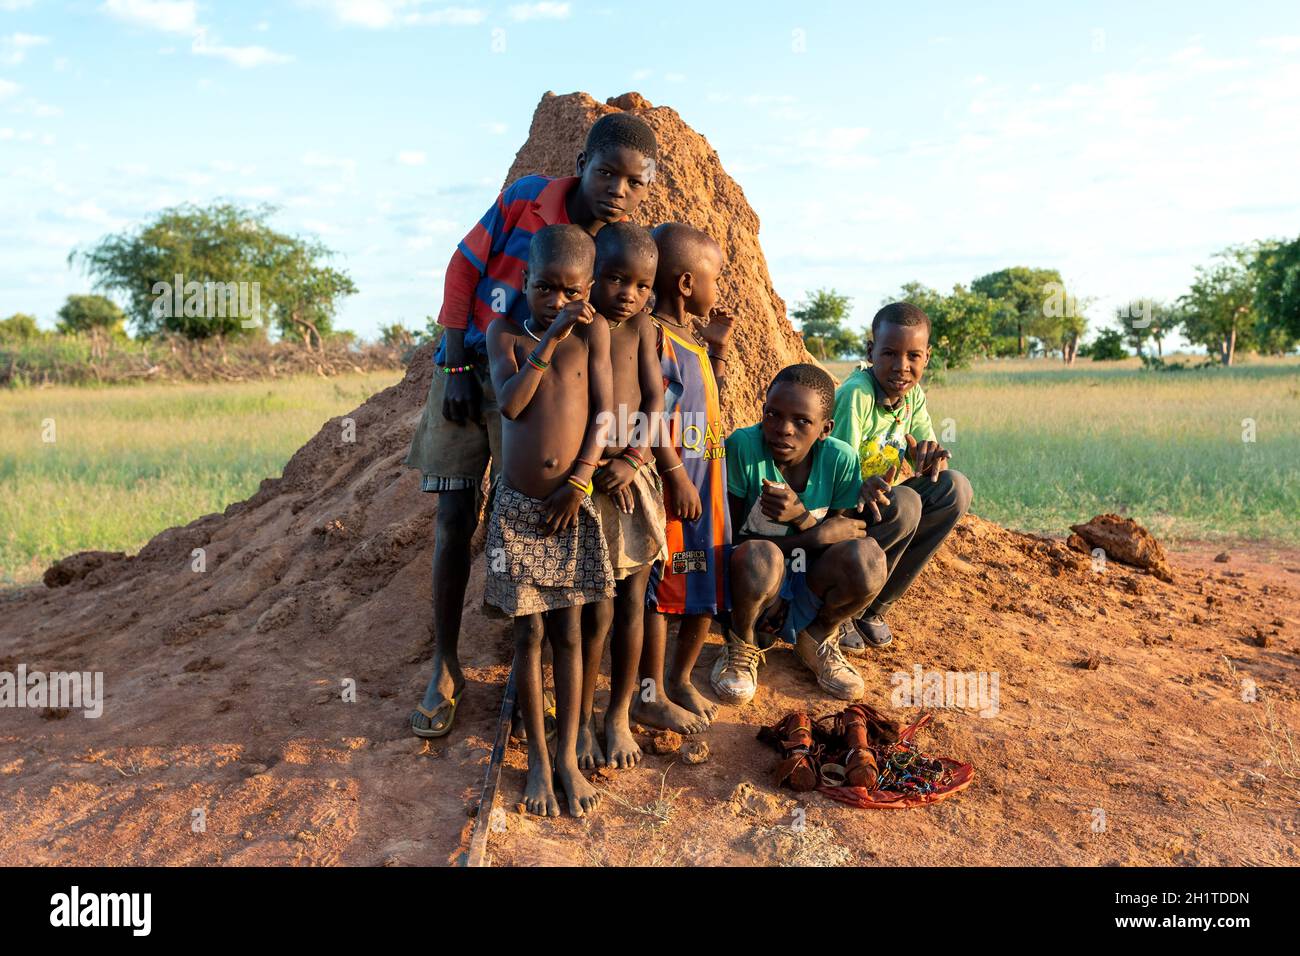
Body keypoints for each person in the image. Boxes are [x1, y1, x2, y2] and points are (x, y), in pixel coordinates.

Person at [407, 113, 658, 739]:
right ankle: (444, 668)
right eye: (607, 174)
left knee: (533, 527)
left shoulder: (615, 247)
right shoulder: (526, 200)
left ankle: (530, 682)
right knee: (454, 516)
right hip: (474, 363)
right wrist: (455, 358)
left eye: (633, 183)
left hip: (545, 399)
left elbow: (622, 340)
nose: (618, 191)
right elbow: (464, 269)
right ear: (582, 162)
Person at [482, 224, 614, 817]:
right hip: (516, 509)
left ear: (587, 289)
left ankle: (565, 755)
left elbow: (608, 415)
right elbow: (513, 403)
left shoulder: (598, 336)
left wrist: (582, 478)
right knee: (528, 634)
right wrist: (551, 337)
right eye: (544, 290)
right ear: (525, 283)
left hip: (571, 506)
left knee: (568, 632)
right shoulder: (504, 333)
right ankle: (536, 758)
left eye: (569, 293)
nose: (557, 303)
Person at [716, 364, 886, 702]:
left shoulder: (840, 458)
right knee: (760, 555)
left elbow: (839, 543)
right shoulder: (744, 448)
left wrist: (804, 519)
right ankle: (742, 642)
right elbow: (727, 543)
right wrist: (812, 536)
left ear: (825, 429)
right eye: (773, 415)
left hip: (808, 580)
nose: (783, 430)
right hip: (754, 587)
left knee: (868, 558)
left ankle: (817, 637)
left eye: (802, 421)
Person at [634, 223, 734, 733]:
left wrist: (715, 349)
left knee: (704, 584)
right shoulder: (654, 338)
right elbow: (652, 415)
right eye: (715, 278)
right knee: (662, 589)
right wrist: (676, 478)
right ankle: (648, 691)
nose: (721, 289)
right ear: (687, 284)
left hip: (707, 488)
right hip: (678, 487)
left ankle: (680, 680)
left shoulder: (690, 342)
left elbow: (700, 398)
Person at [576, 222, 667, 770]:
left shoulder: (641, 330)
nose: (627, 293)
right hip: (587, 481)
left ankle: (618, 715)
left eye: (640, 285)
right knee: (593, 608)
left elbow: (656, 399)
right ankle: (582, 718)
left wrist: (633, 460)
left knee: (632, 601)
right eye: (614, 279)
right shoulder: (580, 328)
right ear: (591, 278)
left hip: (632, 478)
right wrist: (596, 465)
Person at [831, 302, 973, 652]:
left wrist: (929, 457)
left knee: (955, 488)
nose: (901, 367)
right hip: (843, 508)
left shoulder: (913, 397)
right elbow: (836, 474)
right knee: (906, 502)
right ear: (871, 352)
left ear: (927, 357)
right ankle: (839, 609)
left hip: (879, 508)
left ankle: (873, 607)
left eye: (913, 356)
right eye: (890, 353)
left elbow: (920, 449)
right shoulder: (857, 395)